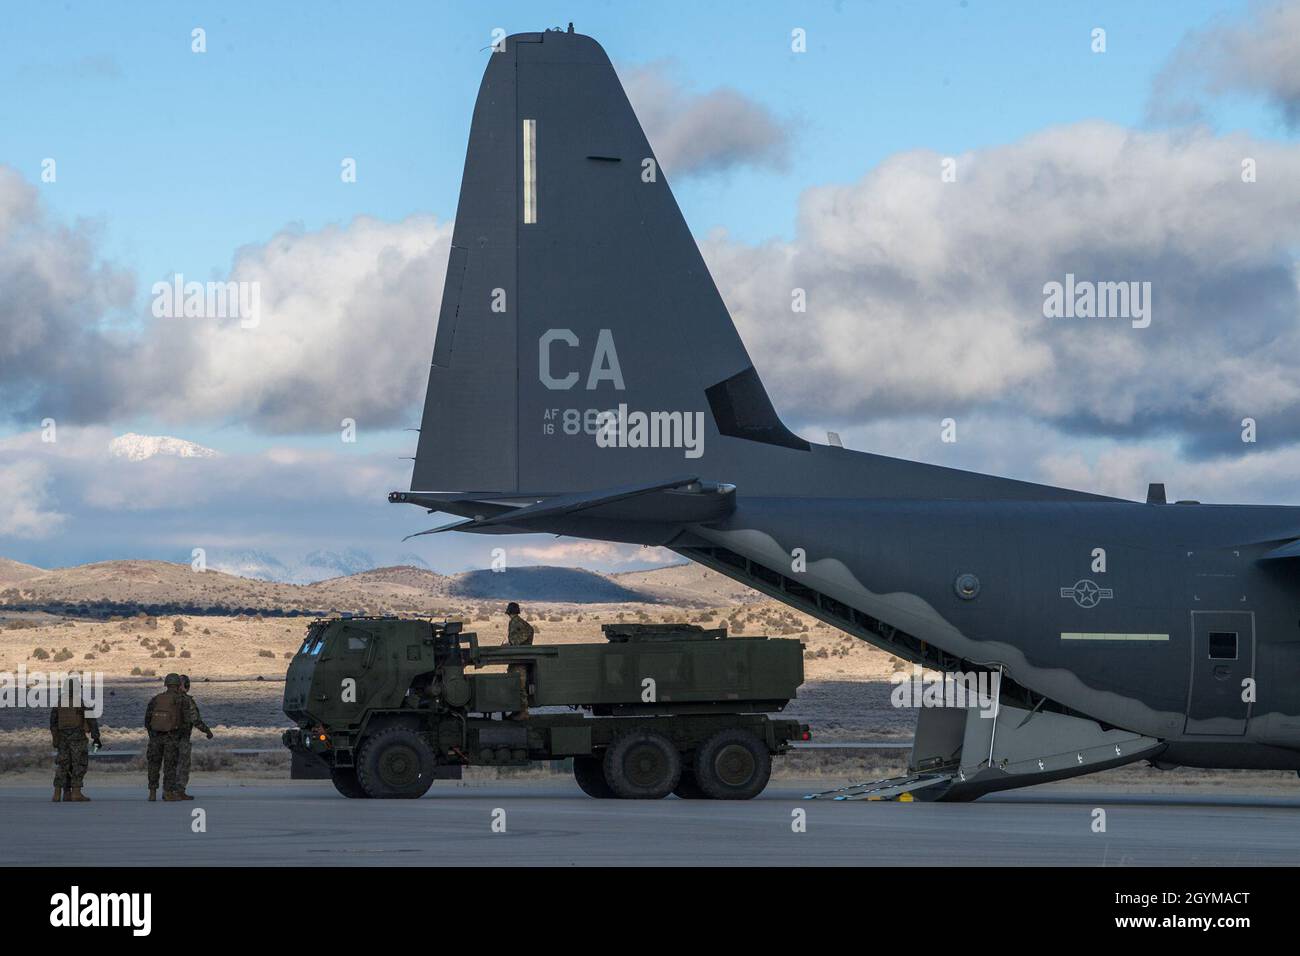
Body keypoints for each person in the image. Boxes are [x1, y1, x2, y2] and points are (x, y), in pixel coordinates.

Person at [145, 673, 200, 801]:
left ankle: (152, 793)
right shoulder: (182, 700)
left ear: (166, 684)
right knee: (170, 766)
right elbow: (187, 721)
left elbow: (147, 721)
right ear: (178, 685)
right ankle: (168, 793)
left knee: (154, 765)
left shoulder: (156, 699)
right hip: (171, 738)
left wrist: (153, 735)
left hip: (155, 738)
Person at [50, 680, 101, 802]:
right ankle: (76, 793)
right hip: (78, 739)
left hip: (63, 740)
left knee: (63, 765)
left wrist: (56, 739)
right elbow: (91, 721)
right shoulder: (82, 703)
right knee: (79, 764)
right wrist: (96, 738)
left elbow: (53, 724)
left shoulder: (58, 705)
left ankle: (59, 794)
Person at [176, 674, 213, 796]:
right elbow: (196, 720)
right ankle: (180, 791)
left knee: (170, 765)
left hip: (166, 738)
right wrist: (207, 731)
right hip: (182, 739)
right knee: (183, 765)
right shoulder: (187, 700)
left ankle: (168, 791)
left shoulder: (163, 699)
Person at [504, 602, 534, 720]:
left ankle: (523, 712)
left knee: (519, 686)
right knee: (516, 686)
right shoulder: (517, 622)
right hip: (518, 658)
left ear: (509, 612)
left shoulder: (516, 622)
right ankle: (517, 711)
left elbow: (518, 638)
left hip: (519, 659)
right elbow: (530, 630)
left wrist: (514, 644)